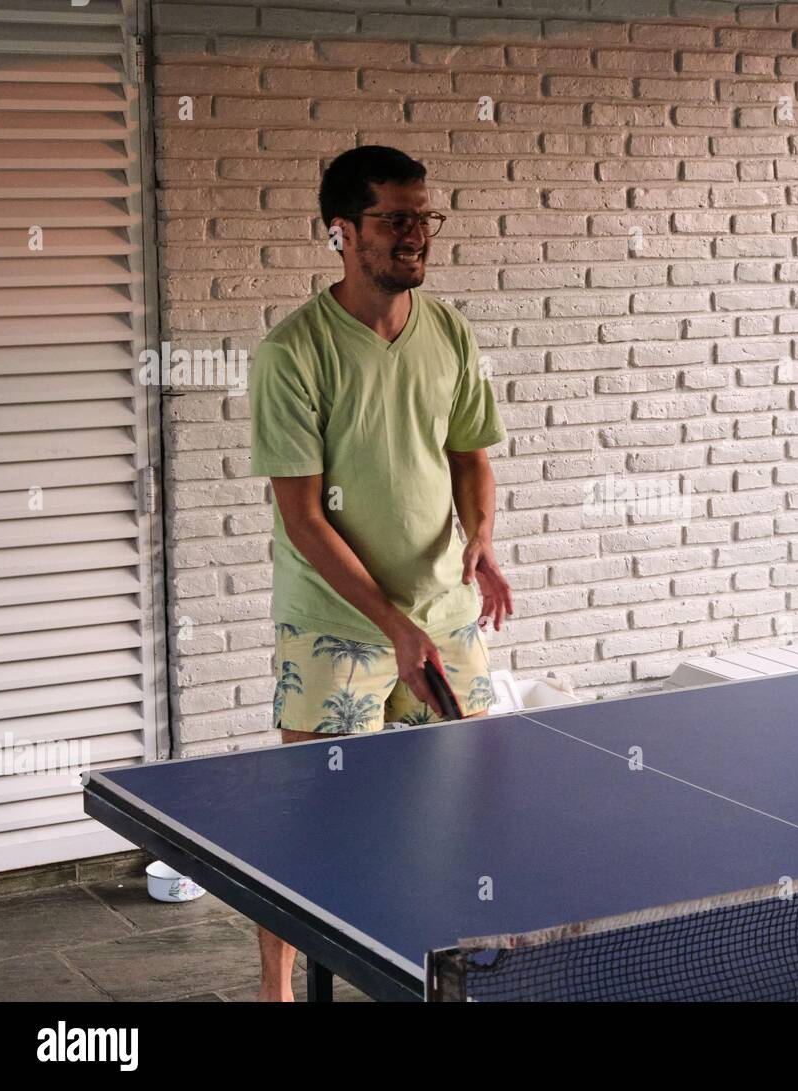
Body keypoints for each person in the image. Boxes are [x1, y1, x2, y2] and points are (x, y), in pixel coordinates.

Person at [248, 145, 513, 1001]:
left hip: (443, 614)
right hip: (335, 625)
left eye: (424, 217)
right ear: (341, 232)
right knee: (315, 825)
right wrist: (391, 624)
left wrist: (482, 537)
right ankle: (277, 989)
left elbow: (470, 454)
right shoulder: (292, 353)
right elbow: (303, 518)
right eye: (394, 219)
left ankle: (436, 968)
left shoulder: (449, 332)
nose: (415, 236)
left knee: (455, 812)